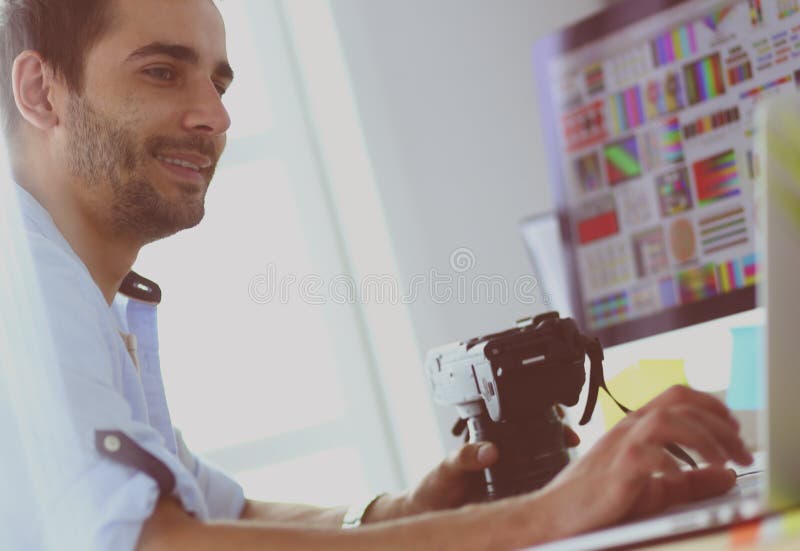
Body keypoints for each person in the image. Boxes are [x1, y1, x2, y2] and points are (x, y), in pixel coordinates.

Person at [0, 0, 753, 549]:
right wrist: (554, 513)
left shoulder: (76, 292)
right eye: (162, 72)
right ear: (40, 92)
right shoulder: (23, 290)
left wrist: (404, 509)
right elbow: (159, 544)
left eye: (220, 83)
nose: (213, 115)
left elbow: (215, 514)